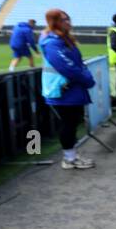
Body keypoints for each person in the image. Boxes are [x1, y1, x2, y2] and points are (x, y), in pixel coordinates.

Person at [39, 9, 96, 171]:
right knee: (68, 124)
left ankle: (72, 155)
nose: (68, 23)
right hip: (62, 91)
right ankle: (69, 159)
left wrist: (85, 77)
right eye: (64, 20)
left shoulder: (63, 40)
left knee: (72, 122)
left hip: (71, 89)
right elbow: (67, 67)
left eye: (69, 19)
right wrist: (87, 79)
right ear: (54, 21)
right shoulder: (52, 43)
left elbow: (77, 63)